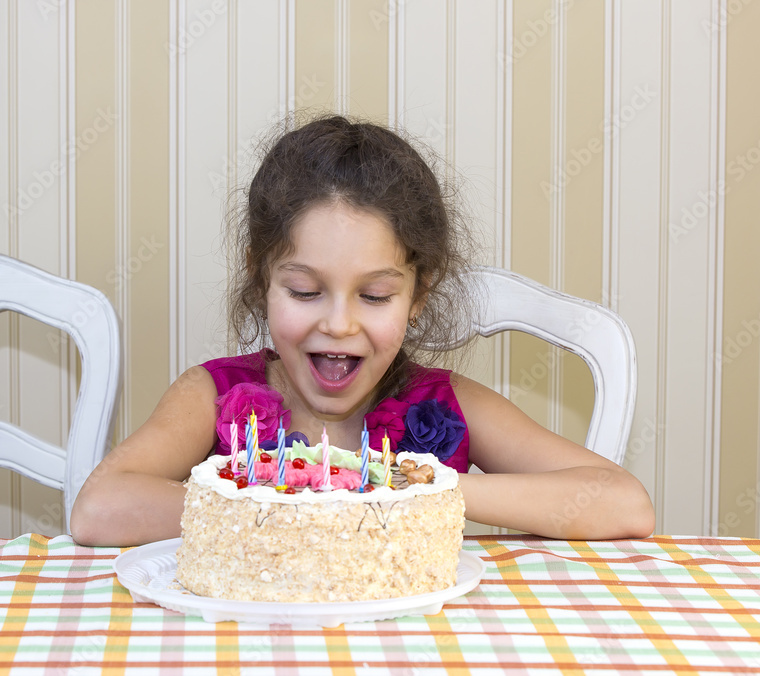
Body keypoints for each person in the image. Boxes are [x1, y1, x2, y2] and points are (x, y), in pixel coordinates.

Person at [70, 115, 655, 546]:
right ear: (261, 278)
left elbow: (625, 504)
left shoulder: (446, 403)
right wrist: (290, 506)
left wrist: (418, 488)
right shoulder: (213, 396)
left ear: (418, 295)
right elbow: (98, 509)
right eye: (305, 291)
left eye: (374, 296)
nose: (339, 323)